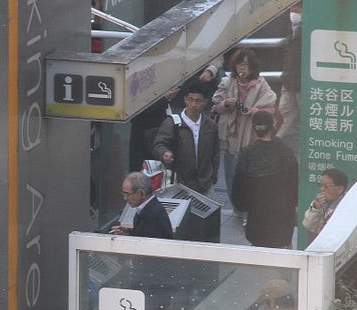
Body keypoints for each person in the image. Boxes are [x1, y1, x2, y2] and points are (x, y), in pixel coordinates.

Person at [211, 49, 277, 218]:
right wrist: (226, 103)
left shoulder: (261, 85)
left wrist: (253, 111)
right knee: (231, 174)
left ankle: (249, 209)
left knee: (250, 174)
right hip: (230, 137)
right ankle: (237, 209)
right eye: (240, 63)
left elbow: (270, 110)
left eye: (247, 64)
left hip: (251, 138)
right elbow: (215, 107)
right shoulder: (227, 82)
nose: (243, 68)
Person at [152, 80, 220, 241]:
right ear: (185, 100)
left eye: (198, 101)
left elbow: (215, 153)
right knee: (181, 226)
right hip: (180, 183)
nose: (194, 104)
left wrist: (213, 176)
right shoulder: (173, 123)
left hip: (205, 183)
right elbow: (159, 144)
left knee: (206, 226)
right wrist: (165, 153)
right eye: (190, 99)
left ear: (205, 102)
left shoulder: (210, 125)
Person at [232, 111, 299, 248]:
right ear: (272, 126)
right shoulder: (285, 152)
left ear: (254, 128)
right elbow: (294, 185)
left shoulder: (247, 155)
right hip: (282, 215)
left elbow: (239, 190)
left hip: (257, 217)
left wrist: (244, 206)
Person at [110, 172, 172, 239]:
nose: (125, 198)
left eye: (128, 194)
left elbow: (148, 245)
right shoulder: (147, 209)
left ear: (142, 193)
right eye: (123, 194)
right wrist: (128, 233)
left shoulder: (154, 216)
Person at [277, 2, 303, 154]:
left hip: (301, 85)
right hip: (288, 83)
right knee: (281, 120)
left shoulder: (308, 27)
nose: (293, 11)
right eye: (291, 8)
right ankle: (272, 148)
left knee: (306, 124)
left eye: (297, 8)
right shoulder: (290, 27)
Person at [302, 168, 348, 239]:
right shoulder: (319, 202)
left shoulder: (348, 204)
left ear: (340, 189)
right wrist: (316, 209)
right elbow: (308, 225)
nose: (322, 189)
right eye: (320, 185)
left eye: (326, 186)